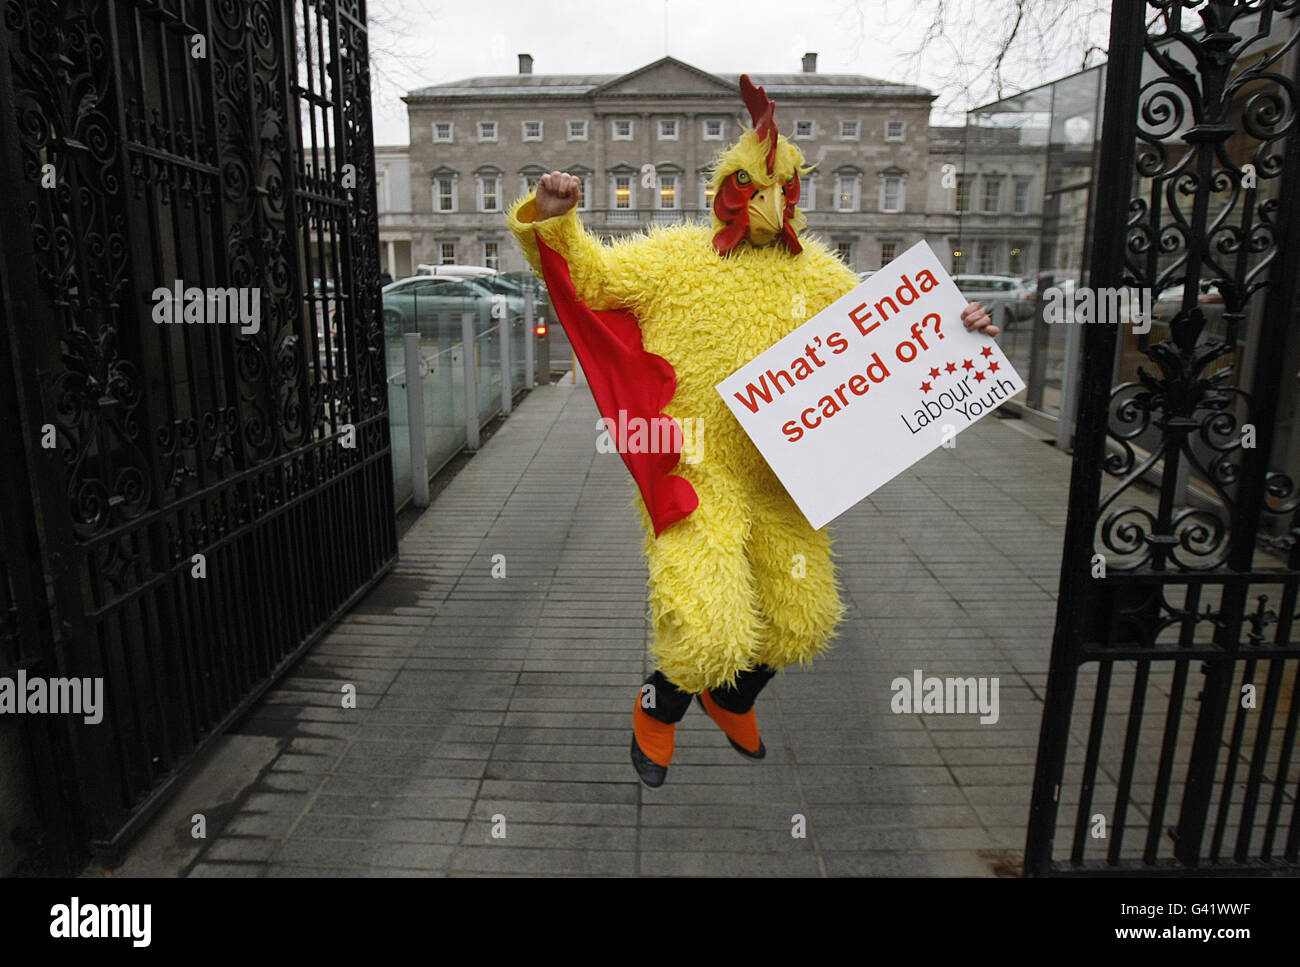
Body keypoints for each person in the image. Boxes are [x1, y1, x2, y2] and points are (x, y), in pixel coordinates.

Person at [506, 76, 997, 787]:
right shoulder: (674, 258)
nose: (768, 203)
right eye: (752, 185)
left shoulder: (821, 275)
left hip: (781, 476)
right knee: (709, 630)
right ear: (725, 189)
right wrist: (554, 220)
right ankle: (661, 701)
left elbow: (894, 338)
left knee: (802, 621)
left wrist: (960, 330)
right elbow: (591, 280)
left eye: (782, 188)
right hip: (694, 468)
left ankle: (729, 696)